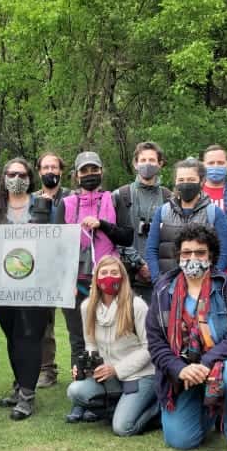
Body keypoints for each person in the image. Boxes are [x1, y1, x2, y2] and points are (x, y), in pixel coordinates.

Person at [146, 224, 227, 451]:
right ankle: (213, 413)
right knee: (180, 440)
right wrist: (178, 368)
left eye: (200, 253)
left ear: (211, 256)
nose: (193, 258)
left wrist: (207, 362)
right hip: (182, 375)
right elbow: (155, 342)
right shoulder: (164, 290)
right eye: (186, 253)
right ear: (178, 256)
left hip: (219, 365)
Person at [0, 158, 57, 420]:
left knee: (29, 336)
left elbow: (58, 240)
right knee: (12, 335)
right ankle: (18, 383)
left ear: (29, 178)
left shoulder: (44, 206)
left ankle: (27, 395)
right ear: (3, 177)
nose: (16, 178)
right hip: (3, 285)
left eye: (22, 174)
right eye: (11, 174)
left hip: (36, 283)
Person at [65, 256, 159, 435]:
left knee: (122, 428)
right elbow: (90, 343)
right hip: (109, 376)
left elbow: (150, 347)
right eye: (104, 273)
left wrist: (116, 369)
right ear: (96, 278)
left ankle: (158, 409)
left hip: (140, 375)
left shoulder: (136, 305)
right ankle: (118, 407)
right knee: (75, 390)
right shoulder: (87, 307)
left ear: (122, 277)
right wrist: (87, 368)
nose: (109, 277)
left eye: (114, 272)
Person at [58, 151, 133, 373]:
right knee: (77, 337)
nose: (89, 174)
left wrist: (102, 224)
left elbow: (127, 236)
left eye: (94, 170)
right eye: (84, 170)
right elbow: (57, 247)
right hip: (76, 282)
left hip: (108, 279)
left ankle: (110, 384)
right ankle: (80, 389)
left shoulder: (114, 199)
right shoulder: (67, 203)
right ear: (76, 175)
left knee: (110, 335)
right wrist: (65, 281)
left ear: (101, 172)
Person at [145, 158, 227, 280]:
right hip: (168, 284)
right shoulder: (162, 212)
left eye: (191, 180)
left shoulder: (214, 213)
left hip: (203, 285)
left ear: (202, 182)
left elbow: (224, 252)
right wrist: (158, 280)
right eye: (181, 180)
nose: (185, 184)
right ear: (175, 182)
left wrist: (212, 280)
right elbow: (151, 250)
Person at [113, 141, 171, 302]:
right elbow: (115, 236)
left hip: (160, 277)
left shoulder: (169, 198)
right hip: (129, 277)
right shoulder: (120, 195)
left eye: (152, 160)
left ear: (160, 164)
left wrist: (153, 267)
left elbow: (171, 238)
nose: (147, 164)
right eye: (143, 160)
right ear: (135, 163)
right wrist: (139, 264)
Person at [33, 151, 69, 389]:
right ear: (39, 172)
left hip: (70, 266)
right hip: (42, 270)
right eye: (45, 167)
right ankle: (47, 370)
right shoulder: (31, 199)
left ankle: (85, 365)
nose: (49, 172)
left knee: (78, 322)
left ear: (61, 171)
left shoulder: (73, 197)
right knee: (43, 324)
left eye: (54, 167)